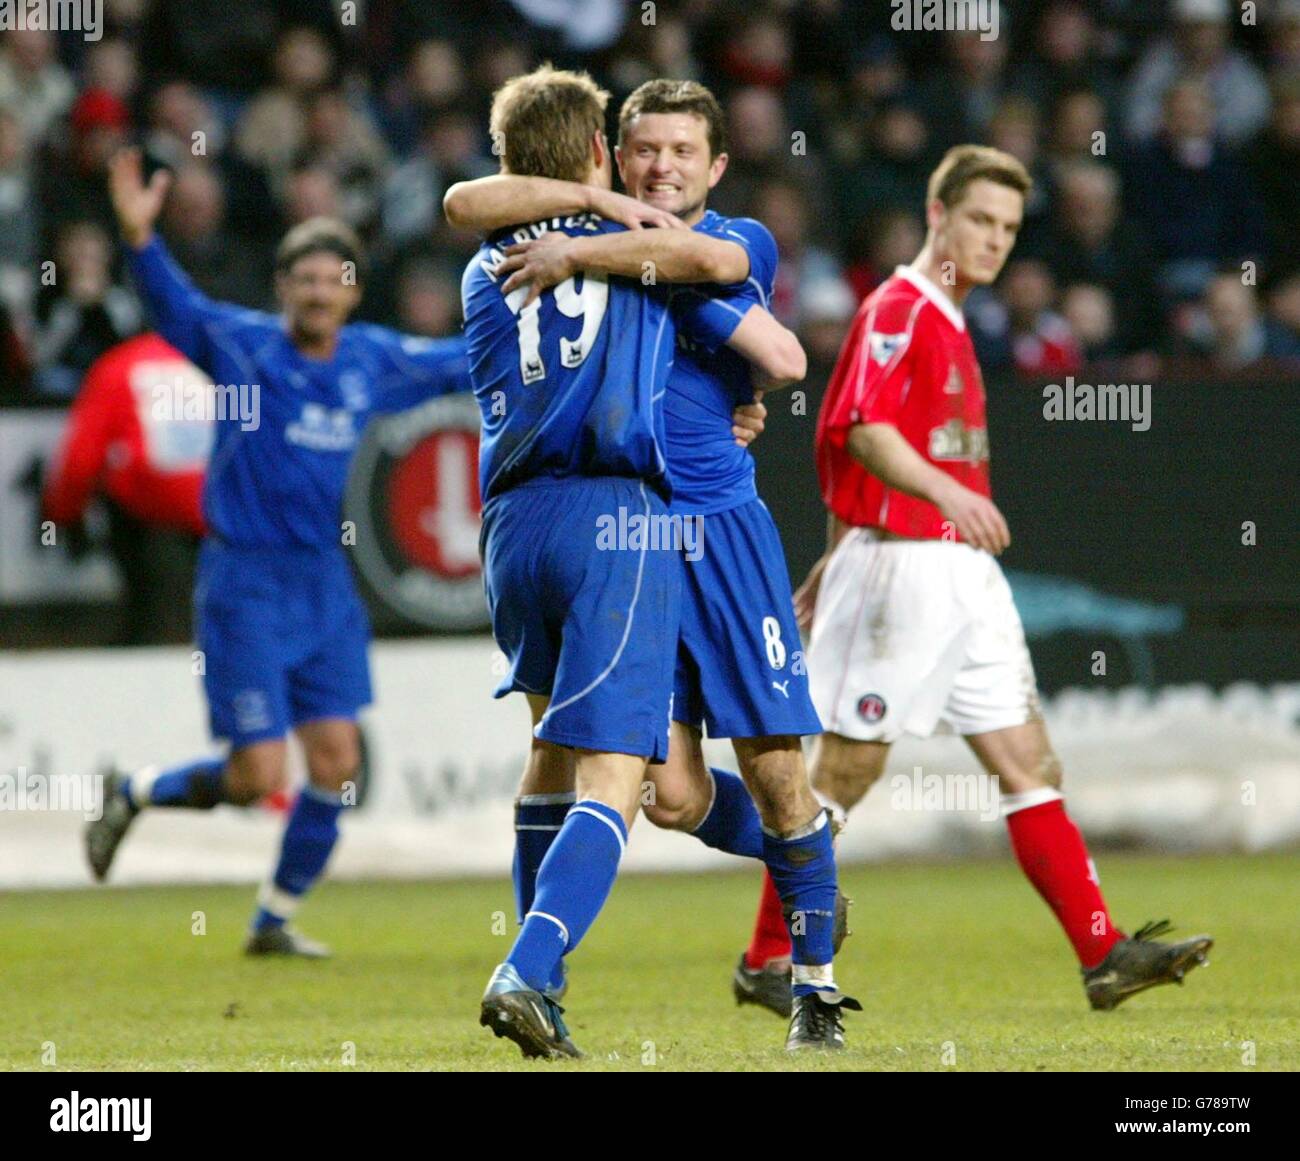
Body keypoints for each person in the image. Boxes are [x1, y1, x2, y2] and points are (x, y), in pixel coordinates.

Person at [735, 145, 1214, 1015]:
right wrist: (927, 505)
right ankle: (769, 955)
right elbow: (862, 429)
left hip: (957, 571)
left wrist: (836, 547)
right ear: (938, 214)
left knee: (1029, 760)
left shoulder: (950, 318)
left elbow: (859, 447)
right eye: (979, 220)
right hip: (902, 567)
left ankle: (1103, 952)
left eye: (1007, 227)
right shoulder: (899, 305)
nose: (993, 241)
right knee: (843, 771)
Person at [446, 77, 857, 1042]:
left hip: (715, 533)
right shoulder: (608, 250)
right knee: (663, 791)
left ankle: (814, 988)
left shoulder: (725, 243)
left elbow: (781, 350)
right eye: (645, 151)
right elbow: (475, 203)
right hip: (622, 530)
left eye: (683, 153)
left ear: (714, 166)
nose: (662, 167)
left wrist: (583, 247)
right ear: (611, 152)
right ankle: (803, 870)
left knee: (774, 770)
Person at [84, 149, 468, 957]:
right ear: (283, 288)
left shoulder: (373, 360)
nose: (319, 290)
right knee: (259, 775)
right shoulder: (242, 346)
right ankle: (136, 790)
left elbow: (461, 364)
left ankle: (274, 919)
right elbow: (171, 303)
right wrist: (138, 237)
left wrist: (536, 301)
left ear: (351, 290)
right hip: (246, 578)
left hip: (324, 580)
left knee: (337, 762)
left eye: (334, 277)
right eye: (305, 278)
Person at [42, 333, 208, 643]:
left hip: (148, 508)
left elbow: (81, 461)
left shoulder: (120, 364)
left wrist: (64, 516)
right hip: (220, 510)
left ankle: (142, 627)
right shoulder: (227, 358)